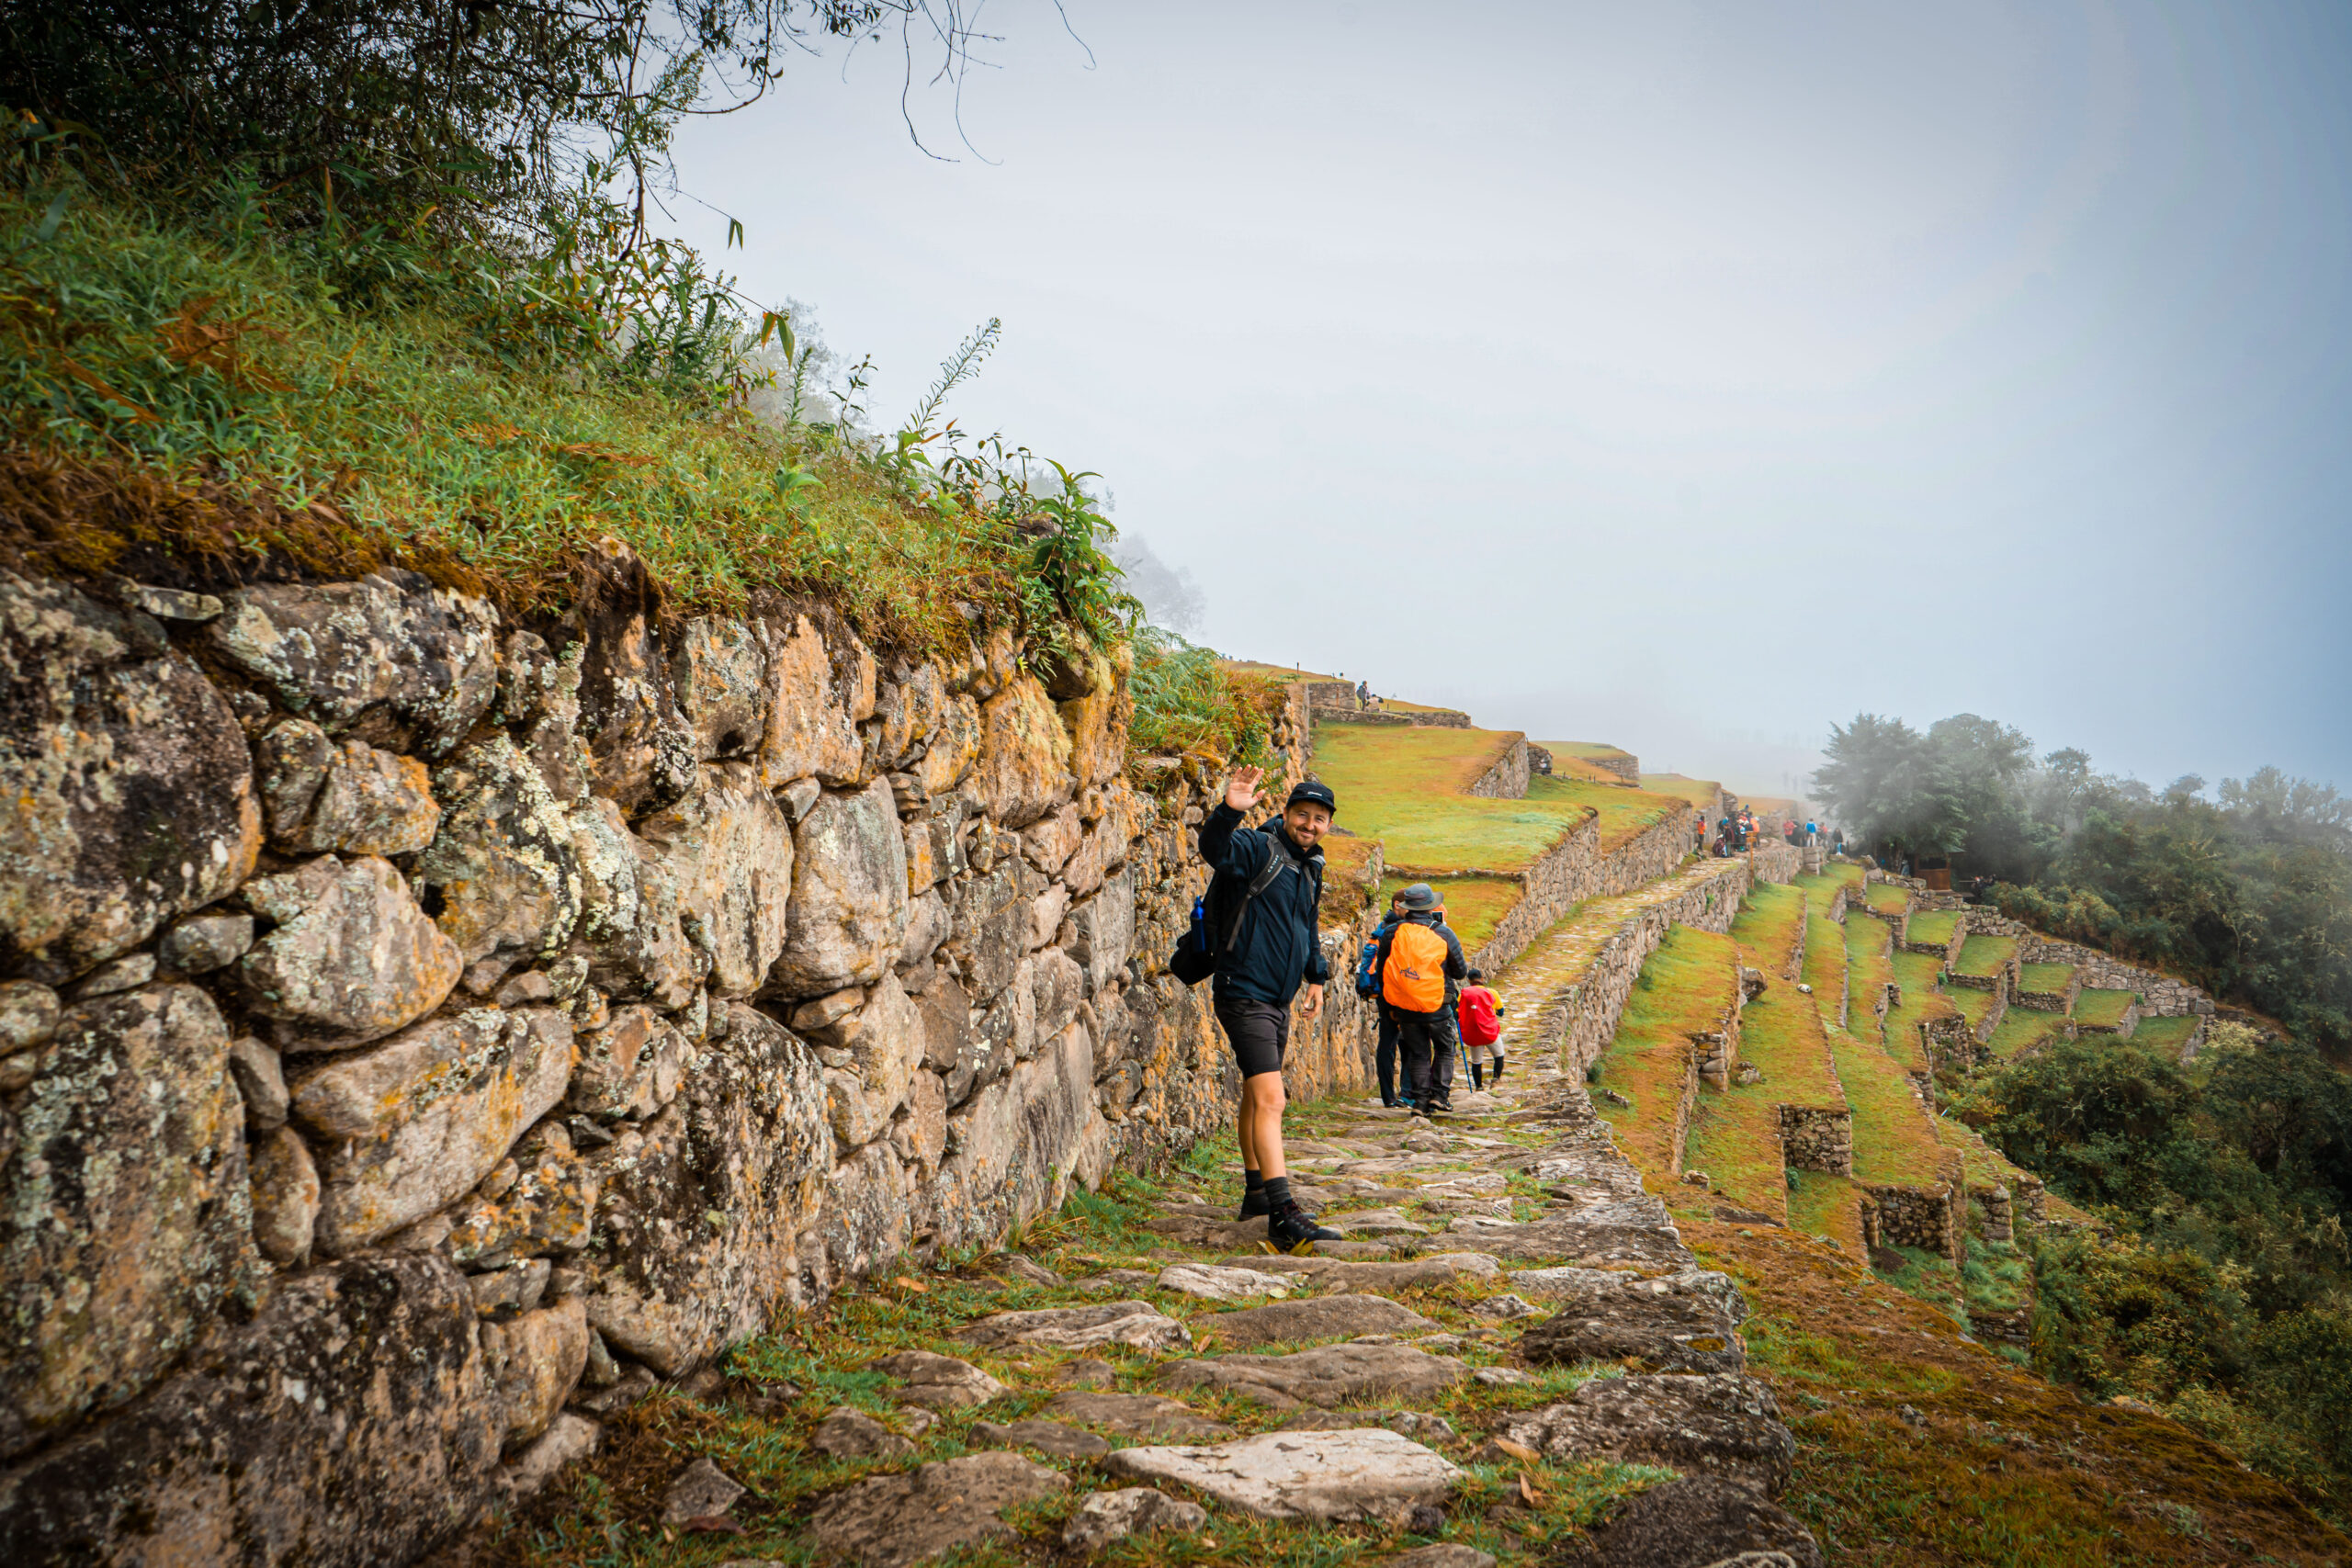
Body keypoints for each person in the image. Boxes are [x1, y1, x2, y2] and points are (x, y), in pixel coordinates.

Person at [1198, 765, 1343, 1246]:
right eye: (1302, 814)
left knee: (1254, 1093)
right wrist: (1229, 811)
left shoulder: (1310, 866)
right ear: (1285, 813)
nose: (1310, 824)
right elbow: (1215, 850)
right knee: (1272, 1099)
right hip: (1244, 991)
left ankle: (1256, 1192)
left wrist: (1315, 977)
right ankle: (1283, 1213)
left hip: (1278, 997)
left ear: (1328, 824)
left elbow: (1308, 923)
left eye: (1319, 818)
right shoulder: (1258, 848)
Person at [1376, 883, 1468, 1115]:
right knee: (1445, 1048)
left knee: (1418, 1053)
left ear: (1407, 906)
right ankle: (1439, 1096)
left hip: (1406, 1005)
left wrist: (1390, 1005)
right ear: (1430, 906)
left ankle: (1419, 1102)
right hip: (1438, 1003)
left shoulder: (1391, 933)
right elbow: (1460, 972)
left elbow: (1383, 970)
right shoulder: (1443, 932)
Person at [1360, 890, 1410, 1108]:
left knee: (1387, 1044)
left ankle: (1389, 1096)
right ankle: (1406, 1094)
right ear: (1398, 905)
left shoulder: (1382, 928)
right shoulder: (1397, 930)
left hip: (1384, 993)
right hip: (1398, 993)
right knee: (1409, 1043)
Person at [1458, 968, 1506, 1090]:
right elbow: (1501, 1012)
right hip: (1490, 1031)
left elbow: (1457, 1012)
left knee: (1476, 1061)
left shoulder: (1463, 994)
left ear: (1469, 981)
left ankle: (1479, 1087)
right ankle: (1495, 1080)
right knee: (1499, 1055)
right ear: (1482, 979)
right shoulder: (1492, 992)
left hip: (1473, 1033)